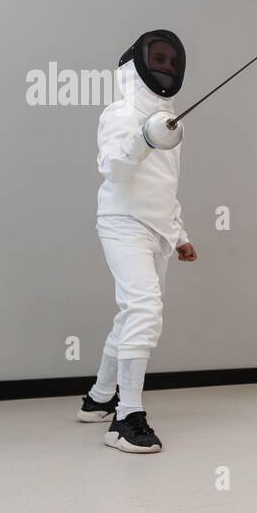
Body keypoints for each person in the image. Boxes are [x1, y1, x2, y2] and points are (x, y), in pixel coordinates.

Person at [76, 29, 196, 454]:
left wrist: (179, 234)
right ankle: (126, 418)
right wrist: (144, 138)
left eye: (170, 61)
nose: (164, 67)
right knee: (144, 309)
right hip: (121, 222)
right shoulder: (120, 113)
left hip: (157, 229)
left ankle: (98, 399)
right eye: (157, 58)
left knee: (132, 314)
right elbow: (113, 168)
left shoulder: (170, 122)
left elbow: (164, 185)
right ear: (137, 64)